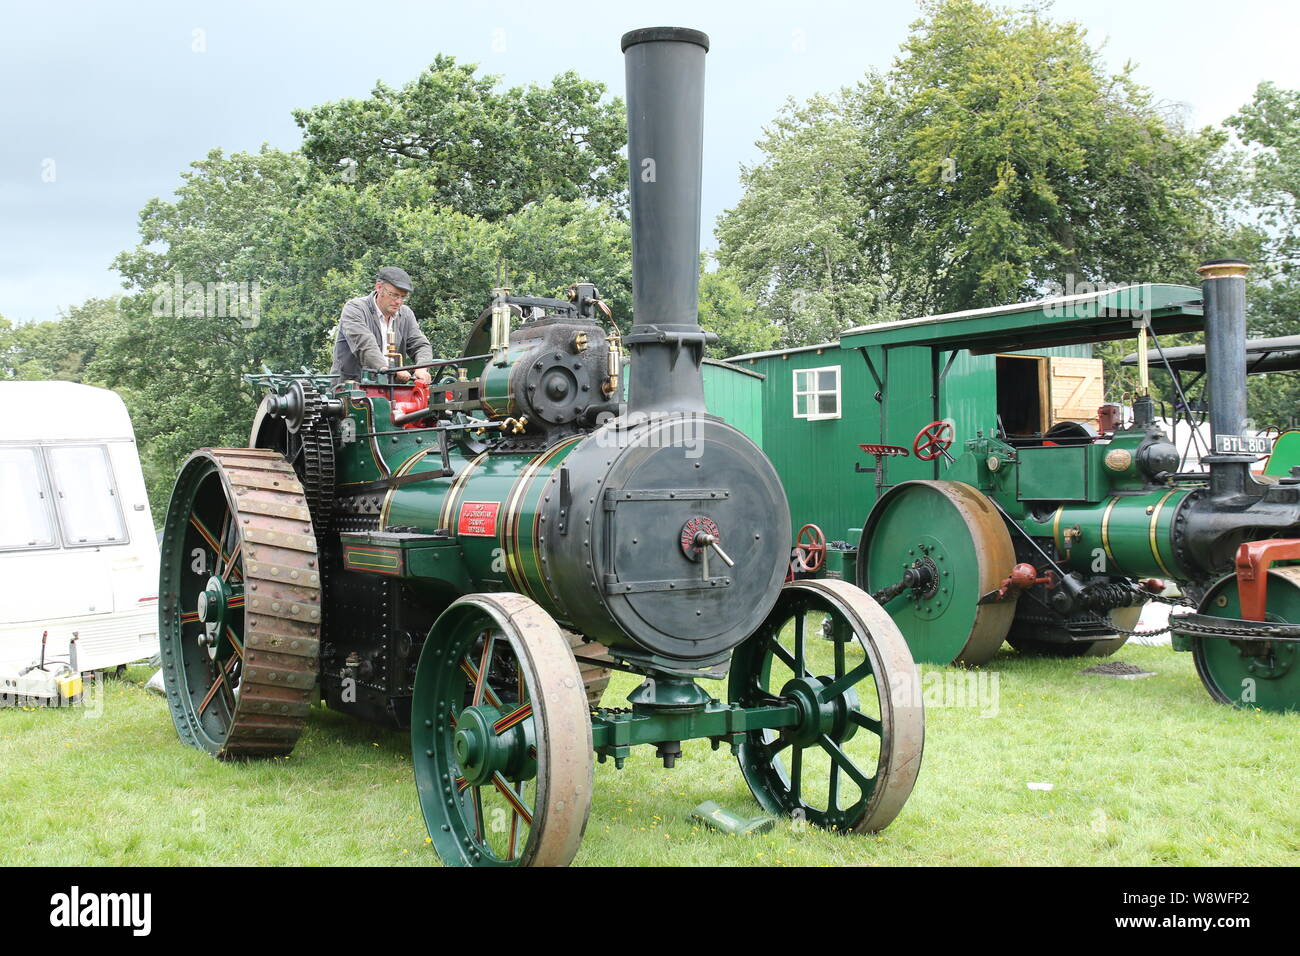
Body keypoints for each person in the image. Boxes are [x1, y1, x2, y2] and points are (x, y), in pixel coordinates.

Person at [331, 267, 433, 383]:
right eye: (394, 295)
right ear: (379, 288)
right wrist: (391, 370)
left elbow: (420, 345)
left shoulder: (406, 314)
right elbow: (365, 345)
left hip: (391, 390)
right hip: (351, 390)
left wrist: (421, 368)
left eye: (403, 297)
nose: (398, 301)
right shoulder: (355, 308)